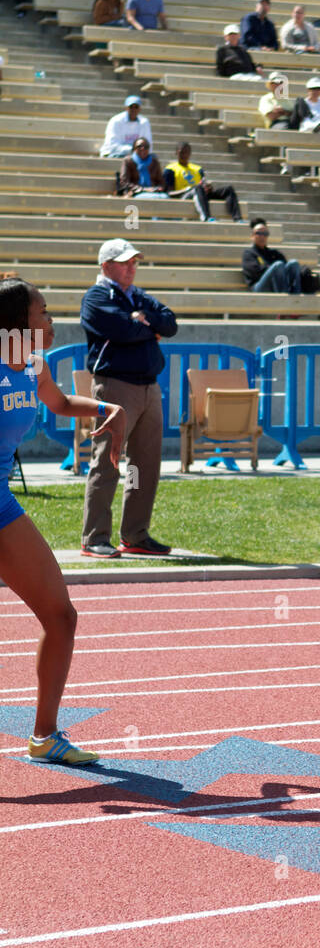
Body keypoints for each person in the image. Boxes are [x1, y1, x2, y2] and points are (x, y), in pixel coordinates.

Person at [0, 275, 125, 760]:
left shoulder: (32, 363)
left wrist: (103, 407)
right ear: (16, 323)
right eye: (43, 312)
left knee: (61, 616)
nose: (52, 321)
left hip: (2, 506)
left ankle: (44, 737)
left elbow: (59, 402)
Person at [80, 240, 177, 558]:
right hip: (115, 387)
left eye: (135, 262)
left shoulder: (138, 296)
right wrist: (148, 327)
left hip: (149, 387)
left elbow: (170, 323)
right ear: (106, 265)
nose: (131, 268)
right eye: (124, 263)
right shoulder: (96, 297)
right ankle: (94, 537)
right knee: (107, 462)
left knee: (145, 465)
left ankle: (135, 534)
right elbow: (123, 331)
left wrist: (142, 320)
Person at [162, 142, 243, 222]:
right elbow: (170, 193)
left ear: (190, 153)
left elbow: (202, 185)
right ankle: (206, 217)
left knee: (228, 189)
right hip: (183, 196)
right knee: (197, 188)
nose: (184, 155)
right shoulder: (170, 169)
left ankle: (238, 218)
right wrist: (188, 189)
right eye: (181, 153)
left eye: (186, 152)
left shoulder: (197, 169)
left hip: (199, 194)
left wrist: (208, 188)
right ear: (176, 153)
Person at [242, 219, 302, 295]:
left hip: (275, 284)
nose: (262, 236)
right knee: (278, 265)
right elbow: (255, 273)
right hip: (259, 287)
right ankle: (283, 296)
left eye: (265, 234)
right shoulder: (249, 253)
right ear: (252, 236)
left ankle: (296, 295)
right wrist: (273, 269)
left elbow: (286, 267)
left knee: (293, 263)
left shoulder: (273, 253)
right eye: (259, 233)